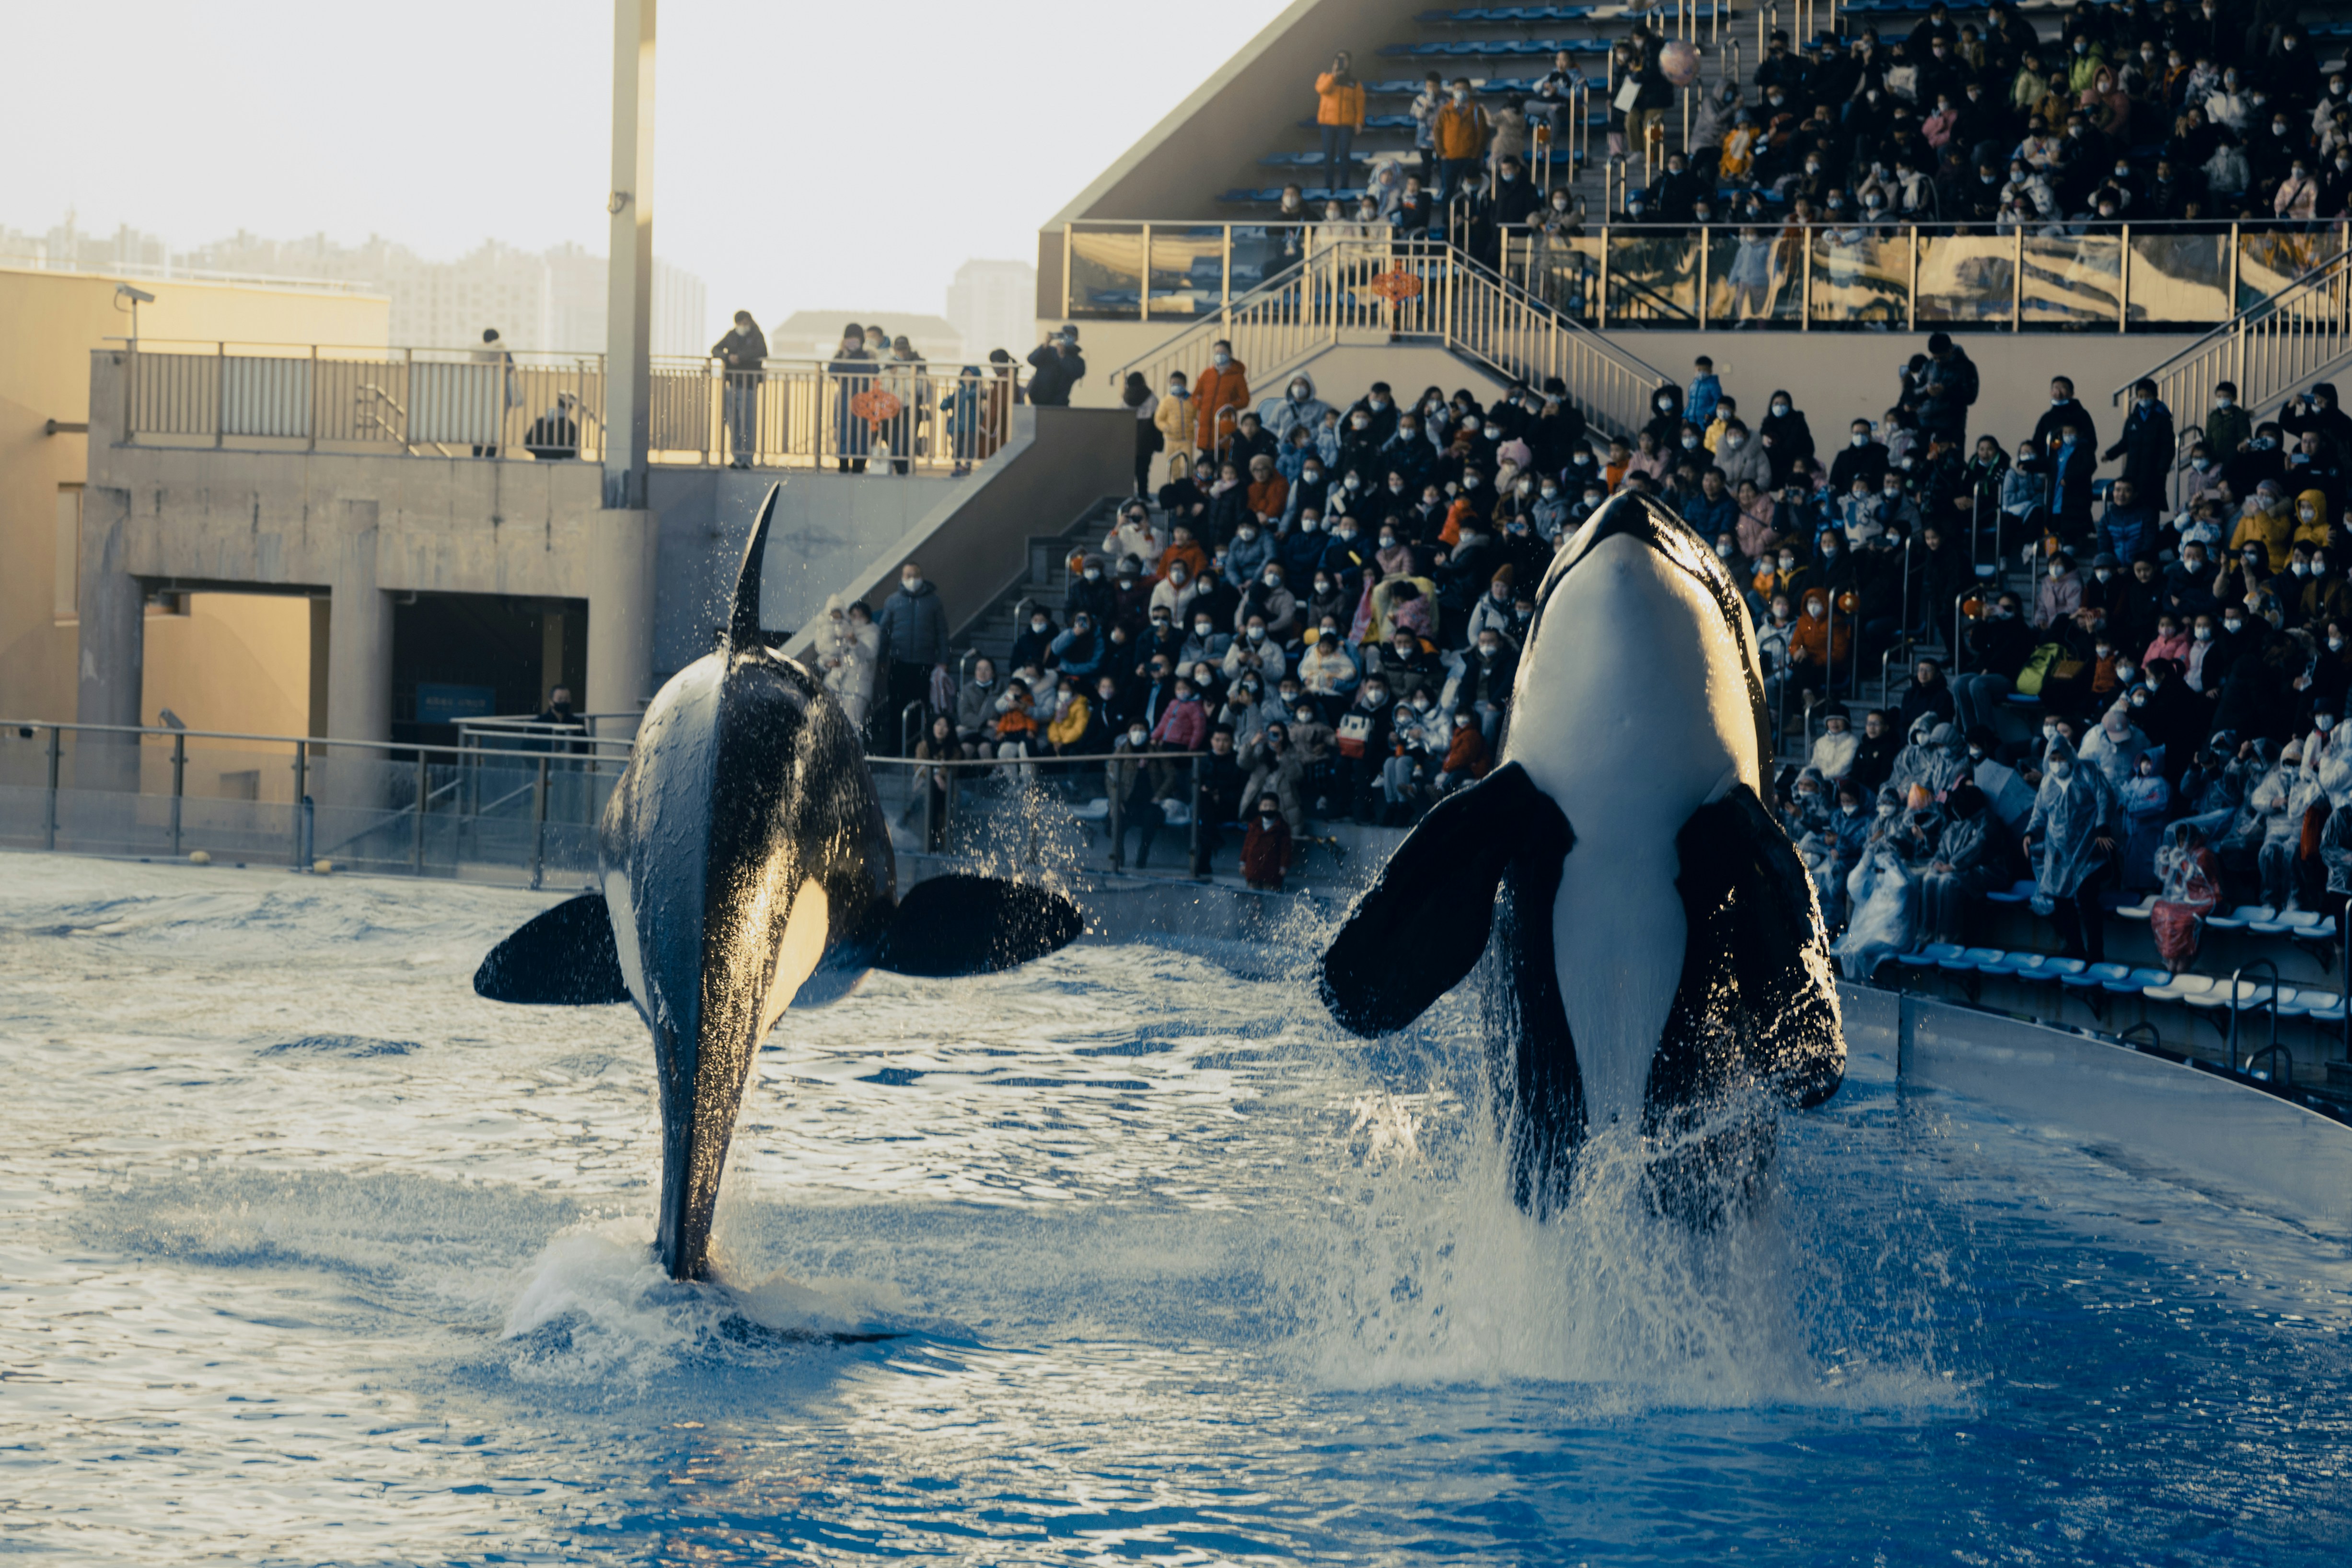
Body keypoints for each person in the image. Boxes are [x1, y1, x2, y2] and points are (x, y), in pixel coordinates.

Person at [2022, 734, 2117, 961]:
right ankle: (2075, 948)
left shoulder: (2087, 772)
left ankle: (2096, 953)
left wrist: (2103, 827)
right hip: (2059, 853)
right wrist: (2030, 833)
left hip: (2087, 851)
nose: (2057, 762)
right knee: (2061, 901)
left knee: (2087, 900)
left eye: (2061, 757)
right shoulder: (2047, 783)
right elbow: (2040, 813)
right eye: (2053, 758)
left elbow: (2106, 797)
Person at [873, 560, 950, 755]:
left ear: (922, 577)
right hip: (899, 662)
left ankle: (916, 747)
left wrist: (944, 660)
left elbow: (942, 632)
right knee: (896, 706)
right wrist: (882, 659)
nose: (912, 580)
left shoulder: (934, 601)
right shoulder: (893, 601)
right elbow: (884, 632)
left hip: (925, 663)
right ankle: (895, 746)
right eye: (908, 576)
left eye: (915, 575)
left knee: (920, 707)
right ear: (902, 578)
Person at [710, 310, 767, 469]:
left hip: (749, 386)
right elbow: (715, 349)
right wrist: (728, 357)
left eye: (745, 323)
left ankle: (748, 458)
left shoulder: (756, 335)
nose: (743, 326)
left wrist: (741, 357)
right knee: (733, 422)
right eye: (740, 323)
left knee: (748, 422)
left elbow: (763, 351)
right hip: (732, 385)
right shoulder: (732, 336)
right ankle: (737, 457)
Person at [817, 596, 879, 732]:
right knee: (832, 727)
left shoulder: (872, 633)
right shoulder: (842, 631)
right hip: (838, 687)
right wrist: (827, 664)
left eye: (860, 616)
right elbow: (828, 652)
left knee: (852, 728)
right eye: (854, 615)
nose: (857, 619)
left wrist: (855, 642)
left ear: (867, 617)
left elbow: (868, 654)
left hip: (857, 690)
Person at [1315, 52, 1366, 191]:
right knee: (1329, 154)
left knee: (1344, 155)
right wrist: (1333, 76)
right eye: (1339, 60)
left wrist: (1359, 122)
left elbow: (1359, 103)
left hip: (1346, 124)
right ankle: (1328, 185)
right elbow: (1322, 89)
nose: (1342, 63)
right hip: (1328, 123)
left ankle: (1345, 185)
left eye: (1345, 60)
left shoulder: (1354, 83)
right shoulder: (1325, 77)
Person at [470, 327, 519, 457]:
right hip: (498, 394)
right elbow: (511, 367)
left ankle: (476, 456)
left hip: (480, 394)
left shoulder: (476, 353)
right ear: (498, 339)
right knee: (497, 427)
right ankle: (490, 456)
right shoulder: (503, 350)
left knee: (480, 427)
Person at [1242, 791, 1295, 891]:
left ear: (1277, 807)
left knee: (1271, 895)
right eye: (1265, 806)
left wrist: (1284, 866)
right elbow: (1247, 844)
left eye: (1271, 806)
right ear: (1260, 807)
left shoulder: (1282, 827)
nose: (1268, 809)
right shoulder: (1254, 824)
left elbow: (1286, 848)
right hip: (1253, 868)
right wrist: (1243, 862)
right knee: (1253, 896)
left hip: (1272, 871)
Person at [1026, 325, 1085, 407]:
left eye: (1071, 335)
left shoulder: (1077, 360)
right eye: (1065, 334)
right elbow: (1031, 359)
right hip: (1038, 402)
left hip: (1059, 405)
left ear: (1076, 338)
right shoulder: (1049, 351)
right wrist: (1045, 345)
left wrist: (1063, 357)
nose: (1067, 337)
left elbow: (1077, 372)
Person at [1122, 372, 1160, 497]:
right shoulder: (1152, 399)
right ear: (1143, 381)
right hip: (1146, 441)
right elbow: (1157, 423)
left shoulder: (1123, 400)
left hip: (1128, 441)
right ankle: (1143, 495)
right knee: (1143, 471)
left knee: (1128, 471)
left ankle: (1127, 495)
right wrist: (1158, 444)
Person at [522, 392, 580, 461]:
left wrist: (541, 454)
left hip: (540, 463)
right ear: (570, 408)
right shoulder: (570, 426)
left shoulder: (540, 421)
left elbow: (528, 443)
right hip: (560, 465)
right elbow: (572, 451)